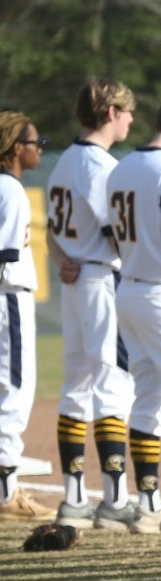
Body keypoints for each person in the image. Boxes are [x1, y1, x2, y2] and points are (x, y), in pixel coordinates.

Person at [45, 78, 138, 530]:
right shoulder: (99, 165)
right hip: (100, 277)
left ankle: (75, 495)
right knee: (111, 381)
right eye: (125, 111)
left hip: (75, 277)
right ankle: (116, 498)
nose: (131, 118)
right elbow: (113, 232)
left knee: (78, 383)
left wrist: (63, 259)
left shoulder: (64, 161)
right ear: (108, 113)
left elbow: (52, 231)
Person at [107, 90, 161, 533]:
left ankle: (146, 502)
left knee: (147, 395)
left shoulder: (121, 167)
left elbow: (109, 238)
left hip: (128, 287)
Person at [0, 114, 54, 522]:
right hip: (8, 297)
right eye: (36, 141)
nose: (40, 147)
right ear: (17, 147)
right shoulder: (12, 189)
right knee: (14, 392)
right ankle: (6, 494)